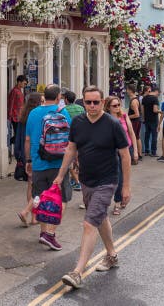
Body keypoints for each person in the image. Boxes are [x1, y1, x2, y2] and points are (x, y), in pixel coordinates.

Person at [54, 86, 131, 290]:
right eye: (88, 102)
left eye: (96, 102)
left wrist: (126, 187)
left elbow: (125, 155)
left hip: (107, 181)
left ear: (102, 102)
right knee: (100, 218)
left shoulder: (113, 124)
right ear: (83, 102)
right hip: (86, 181)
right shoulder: (78, 123)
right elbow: (71, 149)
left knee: (89, 223)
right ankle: (112, 255)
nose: (92, 106)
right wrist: (61, 175)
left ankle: (77, 272)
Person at [21, 85, 72, 250]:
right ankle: (49, 233)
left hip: (38, 162)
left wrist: (28, 160)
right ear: (58, 97)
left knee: (40, 197)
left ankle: (43, 232)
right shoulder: (63, 113)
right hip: (59, 163)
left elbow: (27, 140)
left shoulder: (33, 113)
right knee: (61, 198)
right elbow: (71, 140)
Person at [104, 96, 135, 215]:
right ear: (108, 107)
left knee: (121, 178)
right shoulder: (105, 119)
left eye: (118, 105)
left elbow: (131, 133)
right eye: (114, 106)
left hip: (125, 150)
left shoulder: (124, 116)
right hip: (111, 151)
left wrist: (136, 151)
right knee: (111, 178)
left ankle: (117, 202)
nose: (117, 107)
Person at [15, 91, 42, 225]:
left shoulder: (23, 116)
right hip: (38, 153)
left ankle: (33, 216)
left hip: (27, 154)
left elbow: (19, 137)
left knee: (31, 184)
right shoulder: (39, 116)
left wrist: (19, 155)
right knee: (41, 185)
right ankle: (30, 214)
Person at [63, 90, 86, 189]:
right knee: (78, 158)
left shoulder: (64, 109)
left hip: (70, 137)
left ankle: (77, 181)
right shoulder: (81, 108)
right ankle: (76, 179)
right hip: (81, 135)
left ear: (66, 100)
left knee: (71, 159)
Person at [8, 75, 28, 159]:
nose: (25, 85)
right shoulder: (15, 91)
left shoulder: (20, 91)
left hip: (20, 116)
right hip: (14, 116)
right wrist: (10, 115)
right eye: (24, 83)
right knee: (18, 135)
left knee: (19, 134)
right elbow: (11, 103)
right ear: (19, 82)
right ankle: (8, 142)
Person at [141, 86, 161, 156]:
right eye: (158, 93)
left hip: (146, 119)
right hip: (154, 120)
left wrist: (143, 118)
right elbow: (155, 110)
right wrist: (161, 111)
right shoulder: (155, 99)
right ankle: (153, 152)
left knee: (147, 135)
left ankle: (146, 151)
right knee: (154, 136)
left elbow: (142, 110)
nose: (158, 95)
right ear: (156, 91)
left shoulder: (144, 98)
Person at [125, 85, 143, 162]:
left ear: (130, 90)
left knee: (133, 138)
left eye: (127, 89)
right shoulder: (136, 99)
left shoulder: (133, 101)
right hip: (137, 121)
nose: (126, 91)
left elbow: (137, 114)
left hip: (135, 121)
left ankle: (135, 156)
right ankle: (140, 154)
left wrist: (127, 117)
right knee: (137, 137)